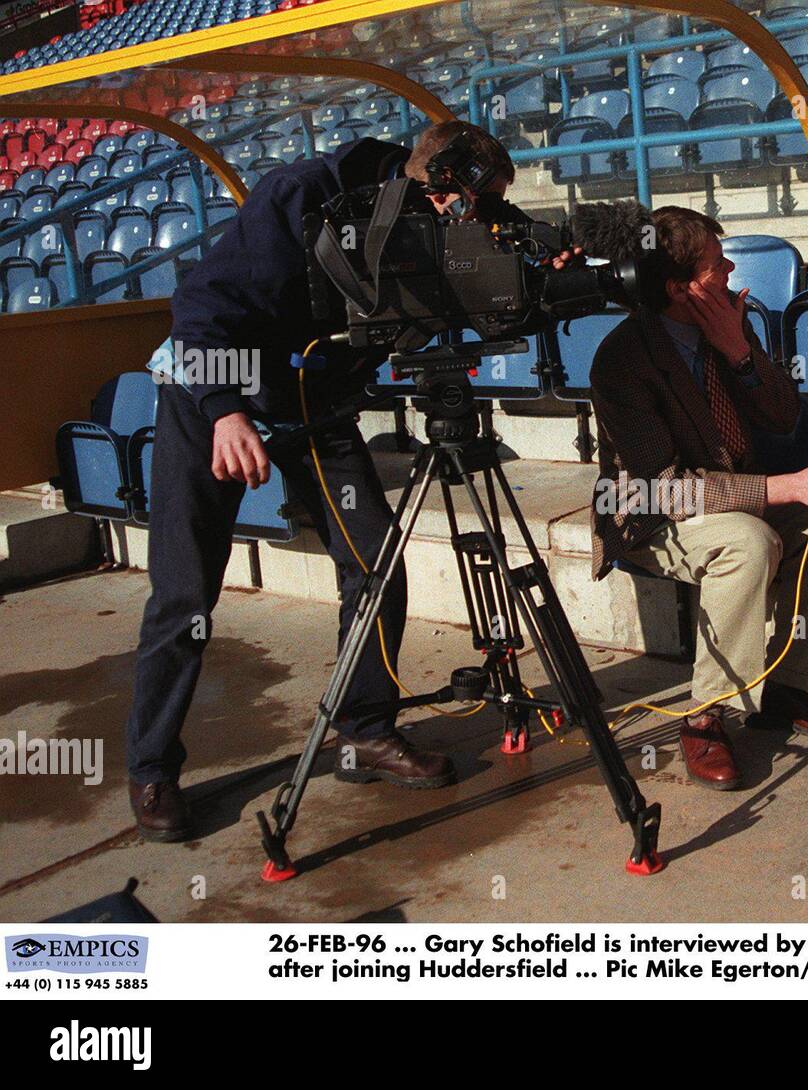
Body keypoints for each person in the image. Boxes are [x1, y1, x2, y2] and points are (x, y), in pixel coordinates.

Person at [125, 121, 575, 841]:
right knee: (185, 593)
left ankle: (363, 734)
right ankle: (151, 771)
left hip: (316, 398)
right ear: (438, 186)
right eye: (471, 205)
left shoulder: (446, 220)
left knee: (376, 565)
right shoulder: (304, 196)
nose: (478, 220)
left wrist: (548, 268)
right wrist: (225, 414)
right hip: (210, 393)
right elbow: (201, 310)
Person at [588, 205, 808, 792]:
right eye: (716, 264)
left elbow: (786, 417)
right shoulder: (622, 359)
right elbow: (664, 485)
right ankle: (705, 714)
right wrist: (786, 488)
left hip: (735, 499)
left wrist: (739, 352)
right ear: (678, 287)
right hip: (649, 516)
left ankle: (786, 685)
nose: (731, 268)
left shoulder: (727, 328)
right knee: (748, 540)